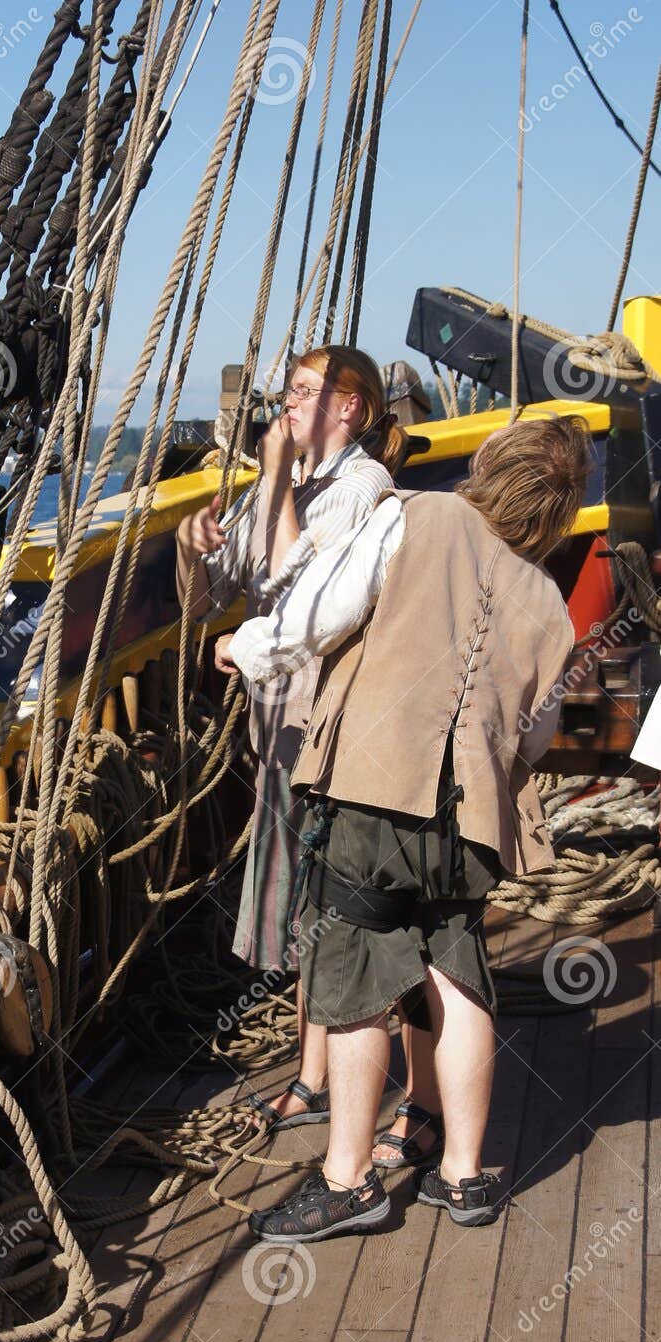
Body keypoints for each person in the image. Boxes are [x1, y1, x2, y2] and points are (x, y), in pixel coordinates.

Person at [221, 413, 589, 1240]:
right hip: (470, 819)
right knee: (455, 975)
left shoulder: (414, 515)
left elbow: (319, 611)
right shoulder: (547, 602)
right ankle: (463, 1175)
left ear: (491, 465)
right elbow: (530, 734)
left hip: (374, 791)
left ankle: (348, 1182)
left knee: (352, 980)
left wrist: (246, 649)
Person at [176, 345, 408, 1131]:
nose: (285, 404)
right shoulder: (290, 486)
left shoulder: (358, 489)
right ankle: (313, 1073)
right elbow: (214, 596)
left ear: (349, 408)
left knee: (323, 908)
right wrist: (190, 544)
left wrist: (272, 480)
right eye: (287, 391)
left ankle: (316, 1082)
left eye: (304, 392)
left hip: (325, 732)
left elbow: (290, 597)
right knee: (303, 906)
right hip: (276, 737)